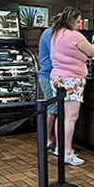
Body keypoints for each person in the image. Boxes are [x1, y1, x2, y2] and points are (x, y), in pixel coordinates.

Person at [50, 6, 94, 166]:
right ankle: (67, 152)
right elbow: (92, 52)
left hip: (57, 78)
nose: (80, 24)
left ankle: (59, 148)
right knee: (71, 117)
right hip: (71, 79)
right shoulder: (74, 35)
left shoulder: (56, 33)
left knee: (61, 115)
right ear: (71, 21)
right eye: (78, 21)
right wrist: (81, 55)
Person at [37, 19, 57, 150]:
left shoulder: (49, 33)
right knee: (52, 108)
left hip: (51, 75)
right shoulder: (49, 33)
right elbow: (56, 54)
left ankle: (52, 138)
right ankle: (47, 140)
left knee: (54, 108)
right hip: (47, 75)